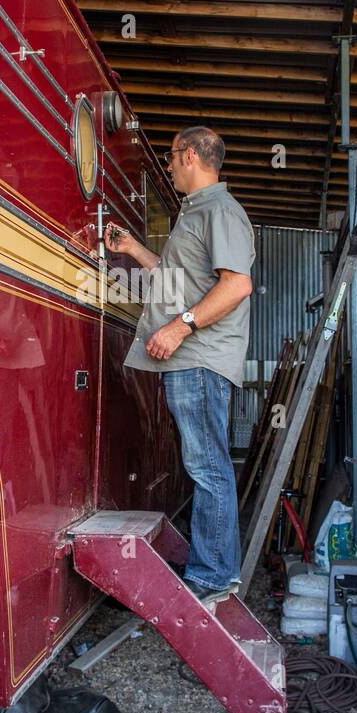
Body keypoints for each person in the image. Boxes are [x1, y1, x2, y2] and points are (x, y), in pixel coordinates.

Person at [104, 126, 255, 603]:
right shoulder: (196, 213)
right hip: (191, 361)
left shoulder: (220, 212)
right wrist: (133, 249)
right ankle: (214, 570)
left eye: (170, 157)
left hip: (201, 359)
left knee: (208, 468)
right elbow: (174, 279)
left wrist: (180, 326)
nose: (167, 166)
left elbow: (237, 285)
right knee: (204, 465)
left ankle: (213, 576)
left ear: (189, 155)